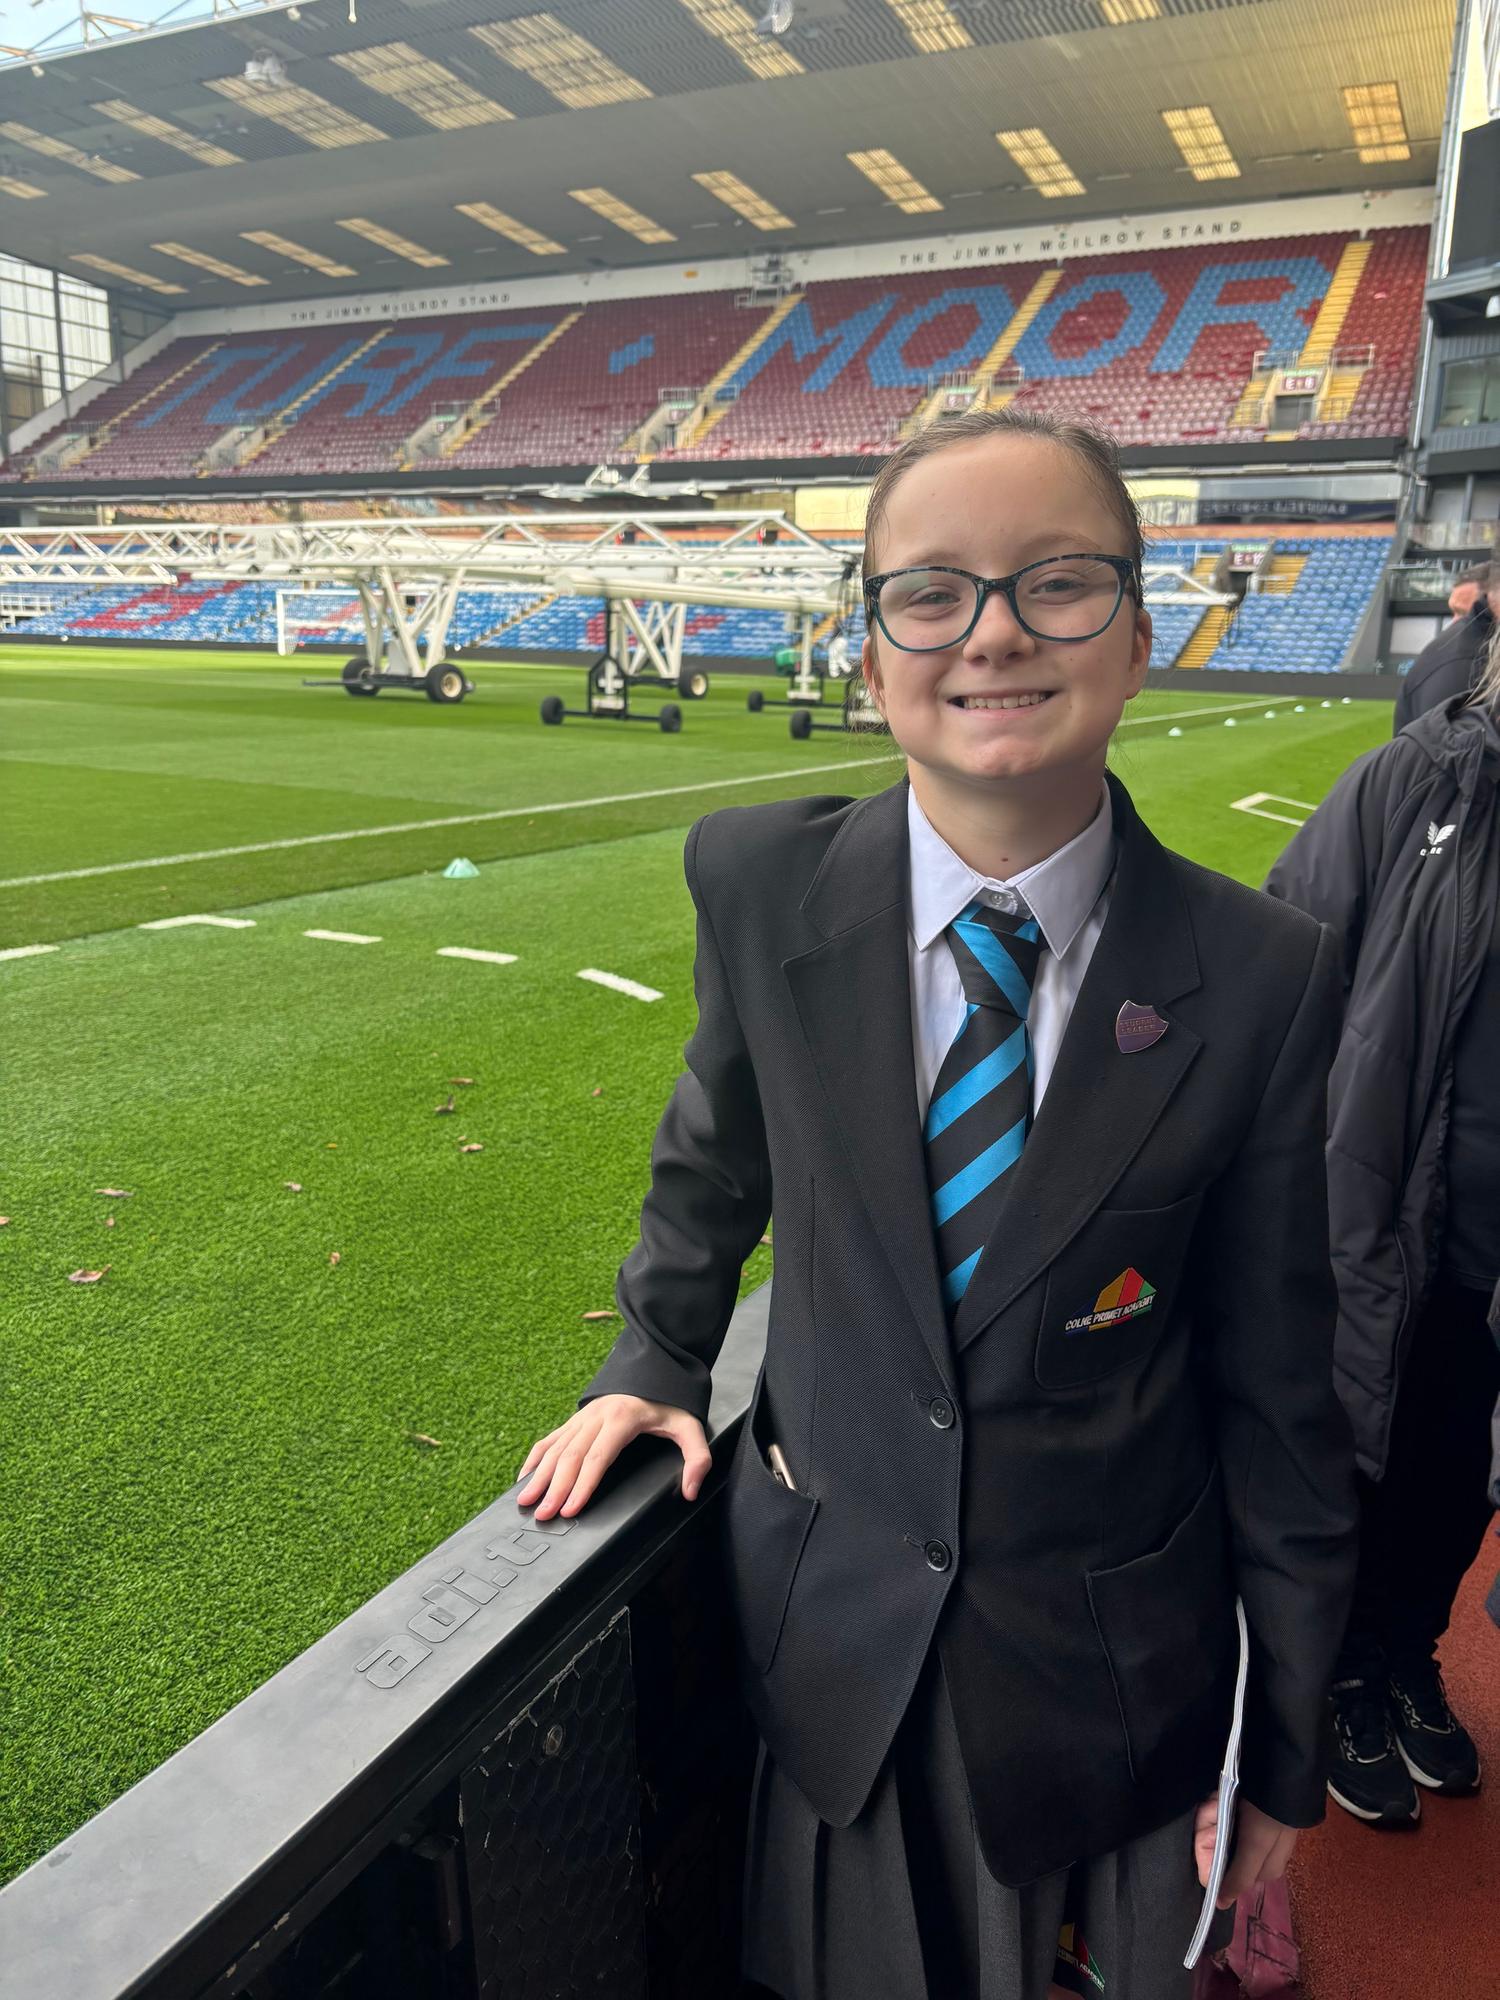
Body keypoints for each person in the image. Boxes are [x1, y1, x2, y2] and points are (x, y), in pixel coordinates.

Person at [517, 408, 1358, 2000]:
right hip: (832, 1655)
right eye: (931, 592)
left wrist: (1288, 1748)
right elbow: (713, 1159)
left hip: (1116, 1689)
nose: (992, 633)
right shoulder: (755, 883)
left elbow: (1280, 1392)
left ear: (1141, 637)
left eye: (1059, 582)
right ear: (870, 650)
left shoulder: (1263, 975)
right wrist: (653, 1358)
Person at [1265, 615, 1500, 1828]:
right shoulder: (1419, 781)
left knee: (1464, 1480)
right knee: (1375, 1455)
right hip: (1398, 1219)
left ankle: (1410, 1649)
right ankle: (1347, 1674)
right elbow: (1284, 958)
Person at [1391, 558, 1497, 733]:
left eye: (1464, 613)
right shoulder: (1461, 662)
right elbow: (1441, 744)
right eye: (1454, 612)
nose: (1454, 623)